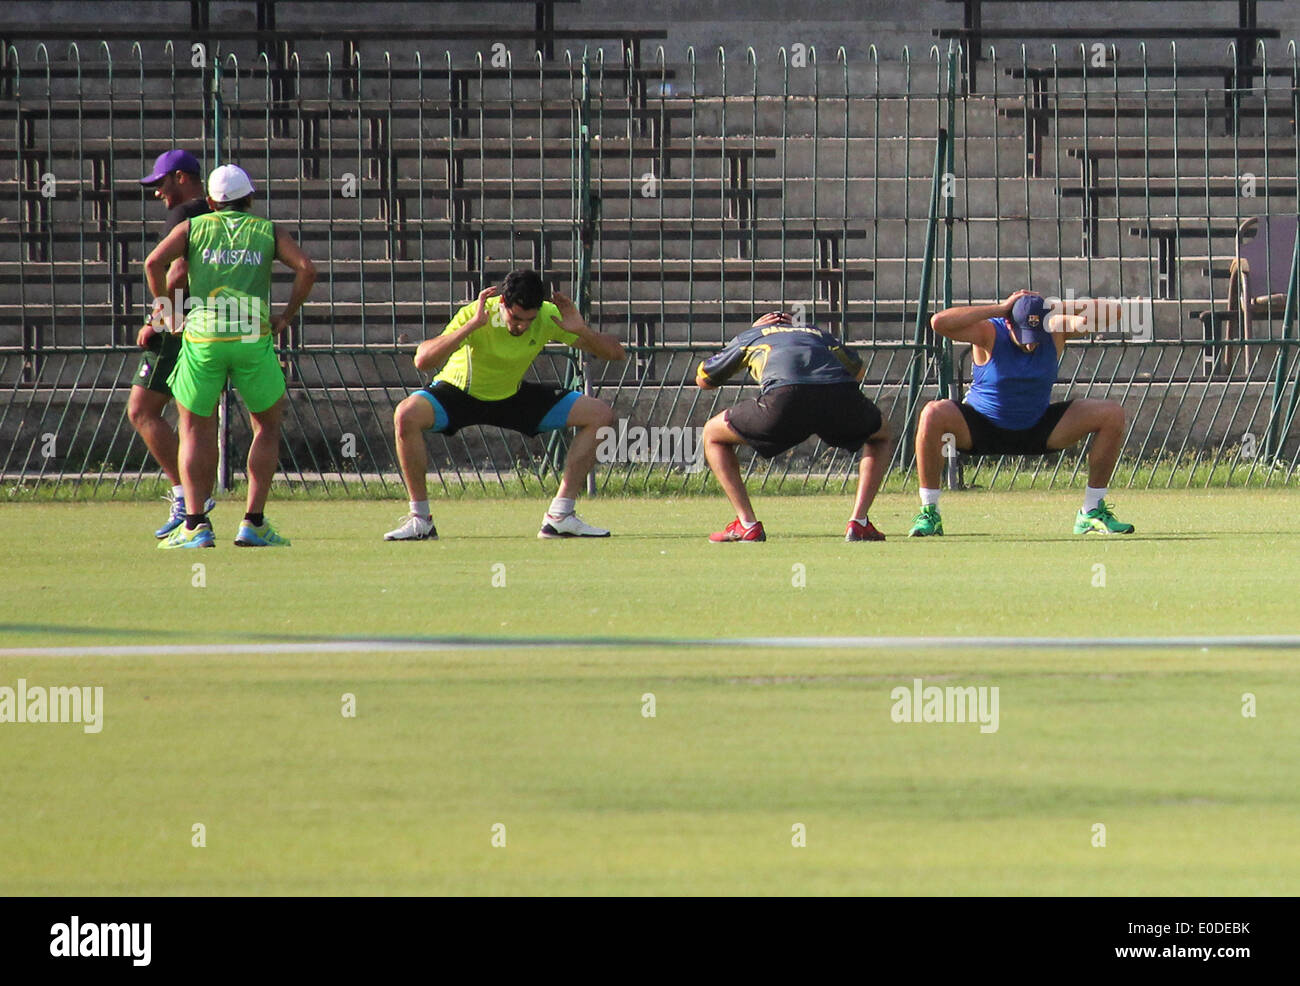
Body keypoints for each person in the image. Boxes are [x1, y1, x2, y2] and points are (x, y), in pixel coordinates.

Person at [144, 164, 316, 548]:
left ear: (209, 202)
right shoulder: (267, 230)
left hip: (203, 337)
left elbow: (154, 263)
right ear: (250, 199)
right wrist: (286, 316)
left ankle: (195, 524)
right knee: (266, 426)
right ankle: (253, 522)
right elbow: (306, 268)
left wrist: (166, 313)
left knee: (192, 428)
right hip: (252, 336)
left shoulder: (193, 227)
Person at [386, 268, 625, 540]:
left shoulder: (548, 316)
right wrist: (471, 326)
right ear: (503, 303)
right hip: (458, 393)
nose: (522, 326)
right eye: (516, 317)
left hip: (511, 396)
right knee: (406, 414)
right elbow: (423, 361)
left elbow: (616, 354)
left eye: (529, 320)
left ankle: (560, 516)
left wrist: (583, 331)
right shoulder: (478, 313)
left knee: (601, 415)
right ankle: (420, 521)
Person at [910, 289, 1134, 537]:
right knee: (932, 412)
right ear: (1008, 323)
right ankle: (929, 513)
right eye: (1024, 335)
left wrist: (1050, 307)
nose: (1031, 343)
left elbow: (1114, 312)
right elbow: (938, 323)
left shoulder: (1055, 328)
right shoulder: (990, 331)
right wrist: (1001, 308)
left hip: (1037, 427)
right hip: (982, 427)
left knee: (1111, 414)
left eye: (1036, 335)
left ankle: (1091, 512)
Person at [696, 312, 892, 542]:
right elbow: (858, 371)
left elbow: (705, 379)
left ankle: (747, 524)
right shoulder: (817, 334)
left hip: (784, 400)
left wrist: (749, 334)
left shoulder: (752, 336)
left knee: (712, 433)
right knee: (882, 435)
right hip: (839, 396)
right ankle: (859, 522)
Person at [134, 149, 216, 538]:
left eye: (161, 183)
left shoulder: (183, 214)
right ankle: (199, 494)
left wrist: (160, 316)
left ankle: (186, 495)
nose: (157, 193)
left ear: (182, 177)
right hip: (210, 322)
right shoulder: (213, 211)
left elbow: (176, 269)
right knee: (197, 416)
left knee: (142, 410)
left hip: (180, 324)